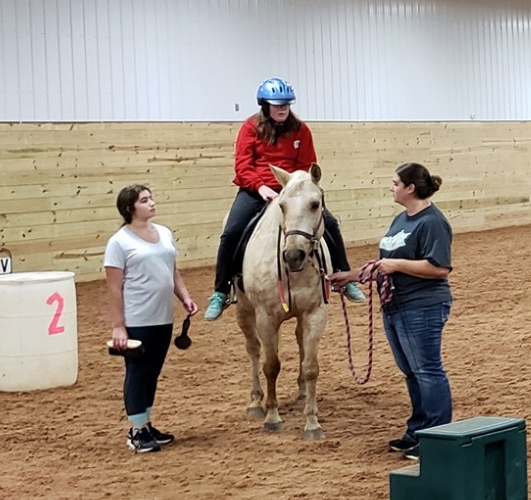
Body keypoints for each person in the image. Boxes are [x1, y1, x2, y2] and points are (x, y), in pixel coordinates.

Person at [204, 77, 364, 321]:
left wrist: (294, 188)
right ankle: (221, 289)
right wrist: (260, 187)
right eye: (277, 104)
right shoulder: (250, 128)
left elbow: (307, 164)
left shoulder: (301, 130)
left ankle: (343, 276)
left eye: (286, 104)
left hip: (294, 190)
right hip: (256, 189)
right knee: (232, 231)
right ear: (265, 105)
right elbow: (243, 165)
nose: (282, 108)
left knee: (330, 224)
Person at [102, 184, 198, 453]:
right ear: (130, 209)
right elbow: (113, 287)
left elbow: (172, 270)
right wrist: (118, 326)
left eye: (151, 198)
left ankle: (145, 424)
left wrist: (185, 297)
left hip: (162, 317)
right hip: (137, 318)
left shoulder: (164, 233)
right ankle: (136, 431)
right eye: (144, 201)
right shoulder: (119, 242)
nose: (152, 203)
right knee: (138, 372)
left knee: (152, 372)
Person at [373, 162, 456, 461]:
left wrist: (395, 266)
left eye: (395, 183)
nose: (391, 187)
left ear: (410, 188)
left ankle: (438, 435)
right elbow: (386, 258)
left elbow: (439, 267)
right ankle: (419, 429)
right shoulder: (402, 219)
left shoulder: (432, 222)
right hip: (396, 306)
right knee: (412, 373)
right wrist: (354, 275)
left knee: (428, 371)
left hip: (422, 306)